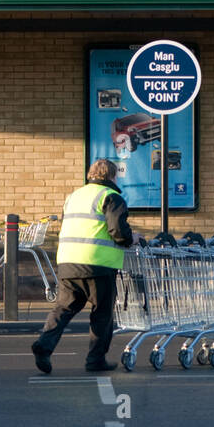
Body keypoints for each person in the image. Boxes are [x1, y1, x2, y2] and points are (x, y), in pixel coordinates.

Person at [31, 159, 134, 373]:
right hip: (98, 264)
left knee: (63, 308)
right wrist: (131, 239)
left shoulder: (74, 197)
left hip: (68, 261)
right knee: (102, 314)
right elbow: (118, 231)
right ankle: (95, 360)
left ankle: (44, 345)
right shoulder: (110, 196)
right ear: (111, 176)